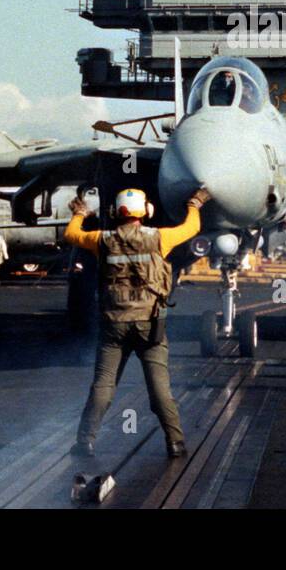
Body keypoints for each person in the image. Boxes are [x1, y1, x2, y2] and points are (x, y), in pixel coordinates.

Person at [67, 185, 210, 458]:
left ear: (114, 212)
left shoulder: (102, 240)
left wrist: (80, 213)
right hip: (149, 324)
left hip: (113, 325)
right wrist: (195, 204)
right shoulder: (159, 238)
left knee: (103, 386)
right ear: (146, 211)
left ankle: (85, 442)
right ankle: (175, 442)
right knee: (159, 388)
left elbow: (72, 234)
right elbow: (191, 228)